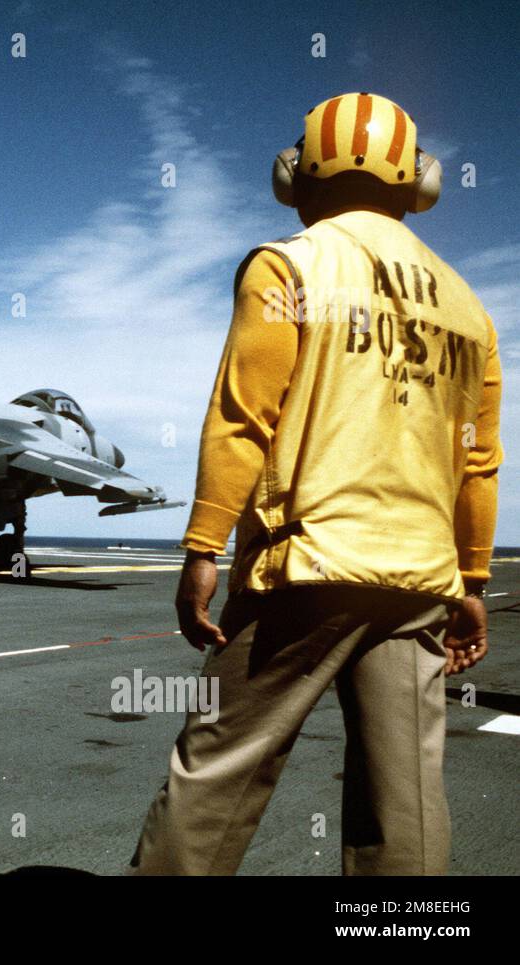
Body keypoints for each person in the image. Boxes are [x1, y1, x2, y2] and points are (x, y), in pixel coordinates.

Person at [131, 92, 503, 875]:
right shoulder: (471, 309)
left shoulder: (288, 264)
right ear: (417, 182)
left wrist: (203, 545)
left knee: (217, 772)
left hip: (305, 570)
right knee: (405, 804)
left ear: (297, 175)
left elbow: (243, 416)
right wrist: (472, 579)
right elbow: (478, 461)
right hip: (419, 580)